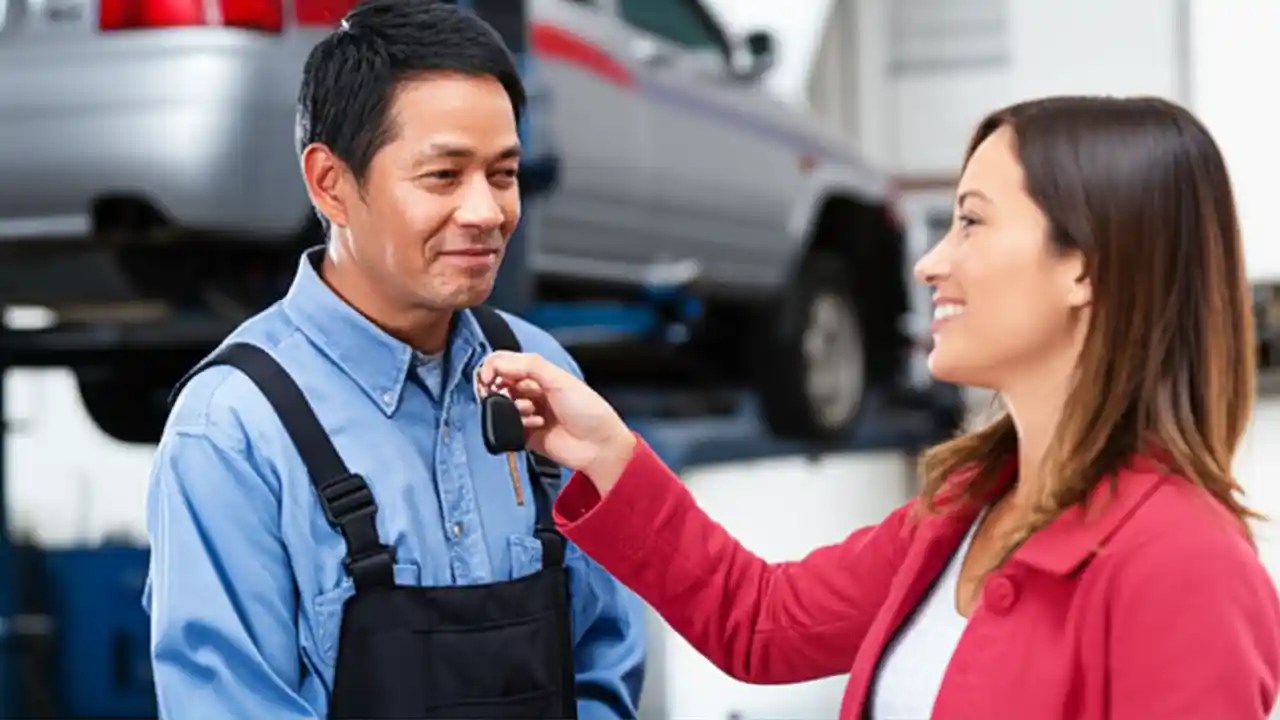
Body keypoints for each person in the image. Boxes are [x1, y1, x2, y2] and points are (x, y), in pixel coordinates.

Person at [477, 95, 1280, 719]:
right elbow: (759, 621)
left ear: (1086, 270)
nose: (934, 262)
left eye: (970, 223)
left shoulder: (1185, 566)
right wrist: (608, 453)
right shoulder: (967, 509)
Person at [142, 2, 645, 718]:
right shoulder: (233, 430)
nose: (487, 211)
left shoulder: (540, 369)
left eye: (503, 175)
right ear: (330, 183)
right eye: (443, 176)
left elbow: (602, 653)